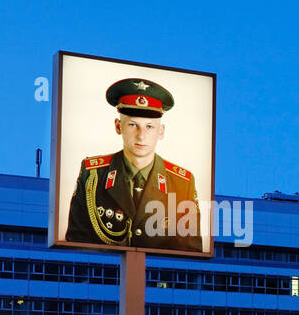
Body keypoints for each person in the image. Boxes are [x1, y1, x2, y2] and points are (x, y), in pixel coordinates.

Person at [64, 78, 200, 252]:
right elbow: (76, 245)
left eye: (149, 127)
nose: (141, 136)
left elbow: (191, 255)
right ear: (118, 126)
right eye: (133, 125)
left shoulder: (182, 183)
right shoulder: (93, 175)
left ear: (161, 131)